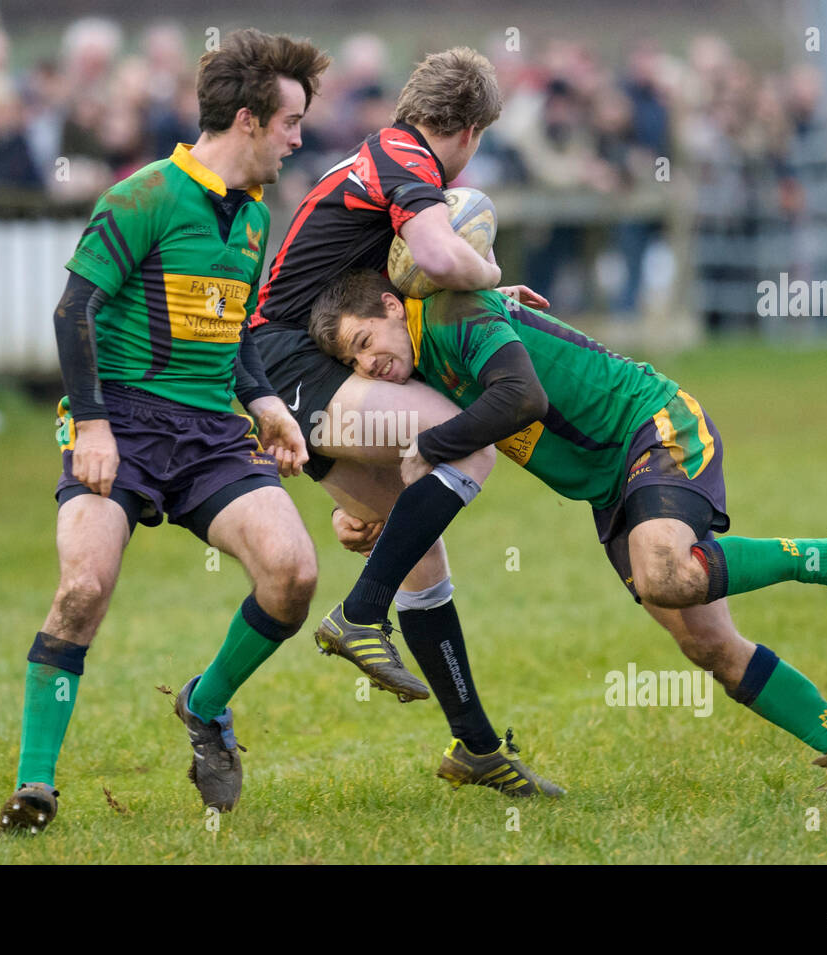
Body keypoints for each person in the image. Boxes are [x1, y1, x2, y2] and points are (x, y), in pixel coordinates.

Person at [307, 271, 827, 797]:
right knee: (709, 647)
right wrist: (358, 509)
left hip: (651, 425)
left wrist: (428, 446)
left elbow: (522, 396)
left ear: (391, 306)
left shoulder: (452, 311)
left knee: (669, 574)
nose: (366, 365)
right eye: (352, 361)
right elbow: (419, 454)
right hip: (608, 488)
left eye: (364, 343)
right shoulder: (418, 370)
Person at [0, 30, 330, 833]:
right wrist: (96, 425)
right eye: (290, 123)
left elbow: (235, 334)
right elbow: (72, 310)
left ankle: (204, 703)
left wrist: (265, 403)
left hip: (211, 432)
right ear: (248, 120)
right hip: (124, 422)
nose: (297, 140)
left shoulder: (252, 217)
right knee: (83, 589)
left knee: (293, 574)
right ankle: (35, 786)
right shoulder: (143, 195)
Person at [251, 47, 562, 798]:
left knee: (418, 543)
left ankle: (477, 747)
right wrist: (485, 269)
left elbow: (397, 272)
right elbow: (431, 253)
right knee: (473, 441)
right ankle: (359, 613)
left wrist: (480, 281)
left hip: (290, 360)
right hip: (291, 360)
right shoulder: (405, 157)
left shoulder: (385, 155)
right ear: (472, 130)